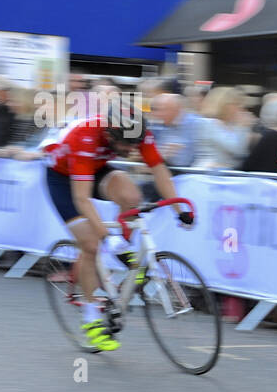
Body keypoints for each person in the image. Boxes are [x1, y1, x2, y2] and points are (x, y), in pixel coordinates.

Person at [42, 104, 191, 351]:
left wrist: (179, 210)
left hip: (97, 168)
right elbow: (82, 198)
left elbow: (159, 170)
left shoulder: (136, 132)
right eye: (126, 146)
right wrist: (105, 236)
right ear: (110, 135)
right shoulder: (85, 136)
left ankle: (123, 258)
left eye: (135, 145)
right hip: (63, 179)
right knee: (91, 244)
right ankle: (91, 319)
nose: (132, 151)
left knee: (132, 197)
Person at [194, 86, 255, 170]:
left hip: (227, 174)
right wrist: (242, 127)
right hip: (207, 173)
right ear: (224, 104)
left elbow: (242, 154)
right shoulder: (208, 124)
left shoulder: (232, 125)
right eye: (236, 104)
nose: (240, 108)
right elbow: (236, 150)